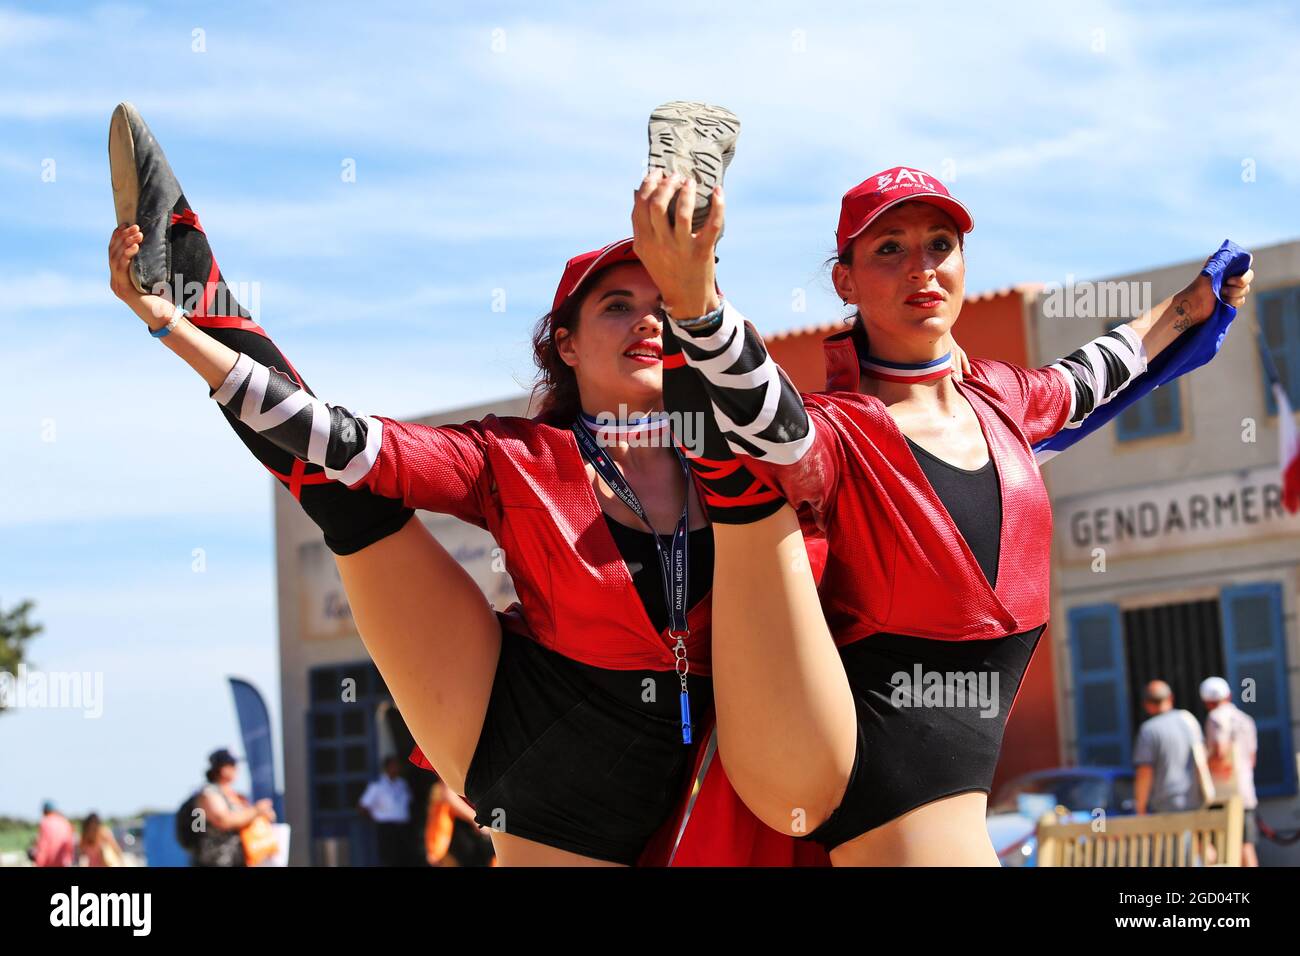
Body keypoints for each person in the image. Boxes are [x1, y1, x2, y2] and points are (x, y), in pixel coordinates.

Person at [105, 101, 826, 867]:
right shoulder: (512, 455)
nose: (645, 322)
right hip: (538, 757)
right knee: (343, 486)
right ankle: (192, 278)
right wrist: (171, 328)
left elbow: (796, 446)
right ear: (568, 347)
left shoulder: (734, 452)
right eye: (617, 306)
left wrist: (696, 287)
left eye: (660, 305)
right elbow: (338, 440)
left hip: (714, 768)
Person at [636, 163, 1253, 865]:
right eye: (889, 249)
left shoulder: (1004, 398)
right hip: (856, 779)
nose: (921, 268)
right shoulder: (839, 432)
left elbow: (1105, 365)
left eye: (940, 243)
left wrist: (1189, 305)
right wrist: (697, 306)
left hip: (943, 816)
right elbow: (767, 415)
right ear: (845, 281)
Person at [1201, 675, 1260, 866]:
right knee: (1246, 846)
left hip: (1223, 794)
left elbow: (1220, 751)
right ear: (1229, 695)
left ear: (1207, 702)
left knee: (1223, 848)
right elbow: (1252, 760)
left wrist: (1203, 766)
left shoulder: (1215, 717)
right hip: (1246, 793)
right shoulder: (1246, 719)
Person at [1132, 681, 1213, 815]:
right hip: (1195, 803)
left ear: (1146, 704)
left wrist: (1140, 807)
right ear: (1170, 698)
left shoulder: (1148, 730)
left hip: (1165, 808)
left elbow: (1145, 772)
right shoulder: (1188, 721)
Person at [191, 748, 276, 867]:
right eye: (233, 765)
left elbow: (245, 821)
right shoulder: (208, 794)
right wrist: (256, 810)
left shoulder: (235, 796)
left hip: (238, 860)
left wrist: (262, 816)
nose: (237, 770)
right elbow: (223, 820)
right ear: (222, 769)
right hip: (215, 861)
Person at [359, 756, 414, 866]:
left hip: (402, 827)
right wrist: (375, 818)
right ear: (387, 768)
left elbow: (409, 801)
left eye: (397, 766)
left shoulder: (402, 784)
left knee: (404, 858)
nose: (396, 768)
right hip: (386, 827)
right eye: (393, 766)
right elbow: (363, 806)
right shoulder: (377, 785)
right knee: (389, 859)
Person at [31, 802, 76, 867]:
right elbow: (70, 844)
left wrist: (38, 863)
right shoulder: (65, 822)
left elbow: (43, 847)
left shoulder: (45, 822)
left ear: (44, 811)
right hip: (64, 862)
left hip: (49, 862)